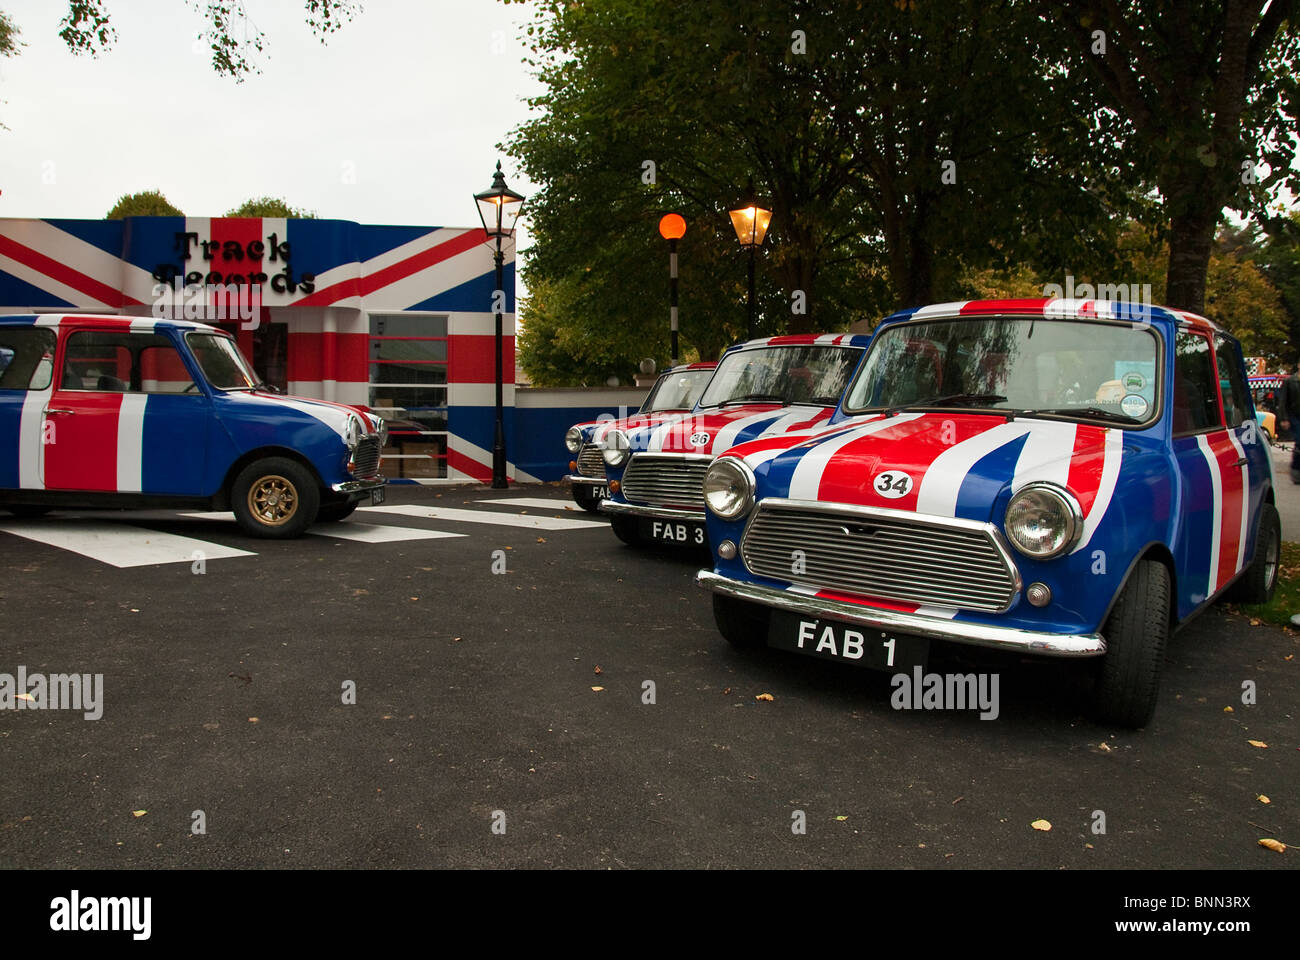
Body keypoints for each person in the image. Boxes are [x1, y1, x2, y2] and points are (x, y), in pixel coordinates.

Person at [1282, 362, 1300, 483]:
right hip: (1295, 416)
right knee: (1299, 440)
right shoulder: (1290, 381)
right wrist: (1284, 418)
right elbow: (1283, 401)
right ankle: (1295, 469)